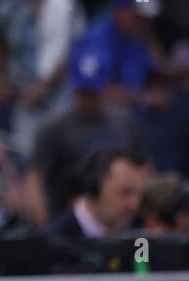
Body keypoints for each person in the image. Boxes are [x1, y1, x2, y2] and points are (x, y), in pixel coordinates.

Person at [24, 43, 150, 223]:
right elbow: (34, 180)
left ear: (105, 87)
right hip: (69, 224)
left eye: (93, 92)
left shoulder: (123, 122)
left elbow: (144, 168)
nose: (88, 98)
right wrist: (43, 228)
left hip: (122, 221)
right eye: (83, 91)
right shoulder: (55, 128)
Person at [0, 0, 84, 156]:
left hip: (59, 96)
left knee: (60, 155)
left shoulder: (64, 1)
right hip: (23, 95)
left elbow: (74, 48)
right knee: (26, 155)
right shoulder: (8, 4)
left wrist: (44, 85)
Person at [42, 146, 147, 238]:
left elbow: (143, 261)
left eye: (139, 195)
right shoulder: (52, 241)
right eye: (126, 192)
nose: (135, 205)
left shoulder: (140, 237)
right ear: (94, 187)